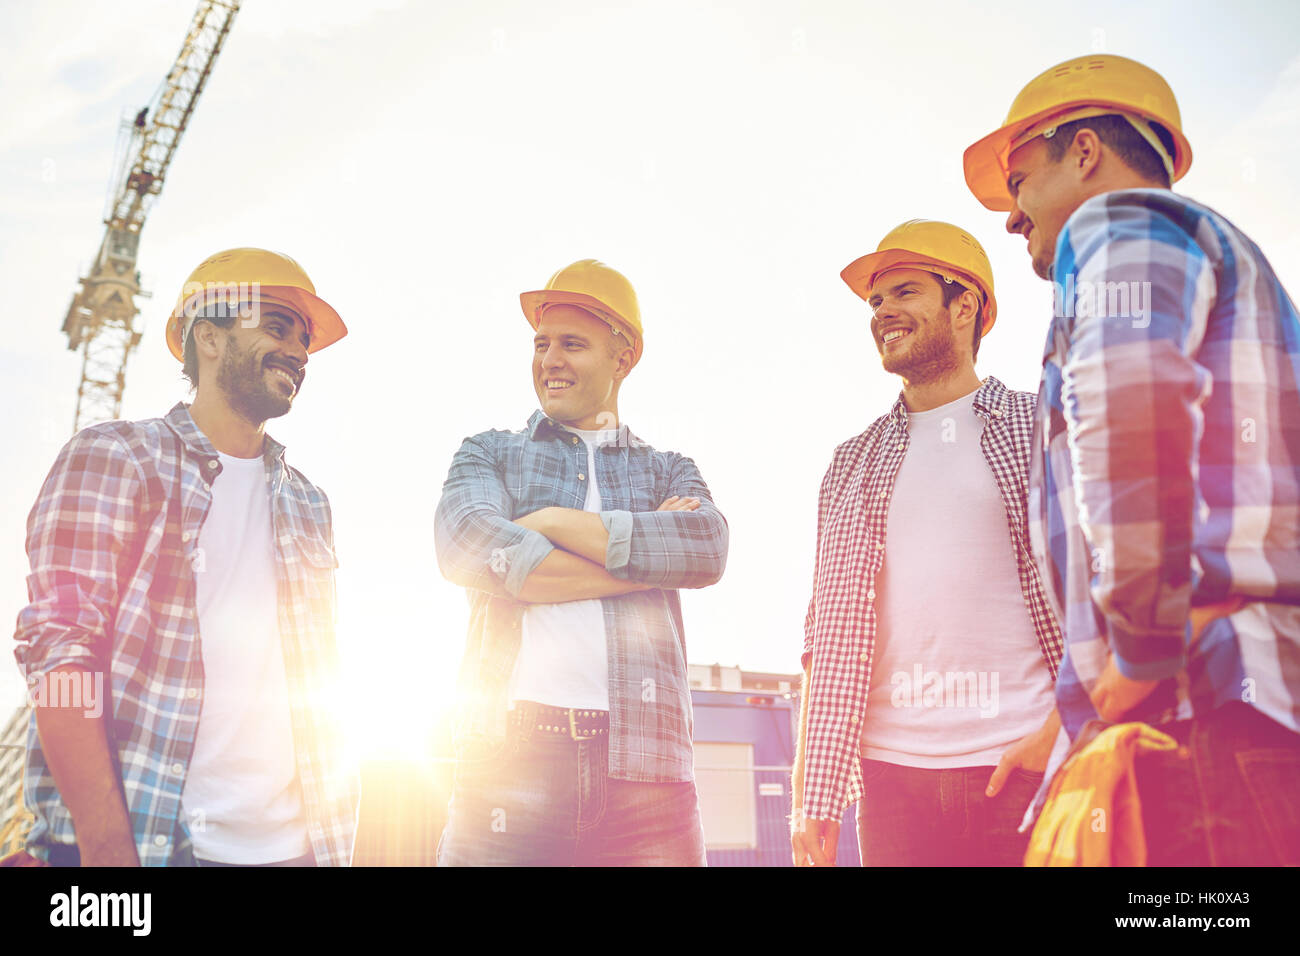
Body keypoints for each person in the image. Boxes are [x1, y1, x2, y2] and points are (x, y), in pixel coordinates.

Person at [964, 52, 1300, 864]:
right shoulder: (1219, 263)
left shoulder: (1118, 226)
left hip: (1195, 725)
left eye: (1019, 182)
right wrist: (1065, 726)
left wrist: (1144, 654)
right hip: (1237, 719)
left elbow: (1134, 409)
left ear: (1082, 151)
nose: (1012, 217)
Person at [12, 248, 358, 866]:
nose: (299, 353)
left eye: (304, 339)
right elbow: (59, 656)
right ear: (209, 336)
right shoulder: (115, 458)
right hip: (146, 847)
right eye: (277, 327)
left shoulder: (309, 502)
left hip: (295, 851)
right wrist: (107, 848)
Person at [434, 258, 728, 866]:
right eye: (542, 344)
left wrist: (540, 528)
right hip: (508, 757)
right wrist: (645, 562)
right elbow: (467, 544)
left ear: (623, 358)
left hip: (646, 766)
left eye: (573, 344)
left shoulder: (666, 469)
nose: (550, 360)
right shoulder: (489, 454)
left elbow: (706, 546)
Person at [791, 220, 1065, 867]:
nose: (882, 312)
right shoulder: (851, 463)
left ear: (963, 304)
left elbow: (1107, 586)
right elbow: (822, 640)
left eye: (903, 292)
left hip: (1024, 769)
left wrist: (1061, 730)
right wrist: (814, 789)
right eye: (875, 301)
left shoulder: (1047, 425)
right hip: (892, 788)